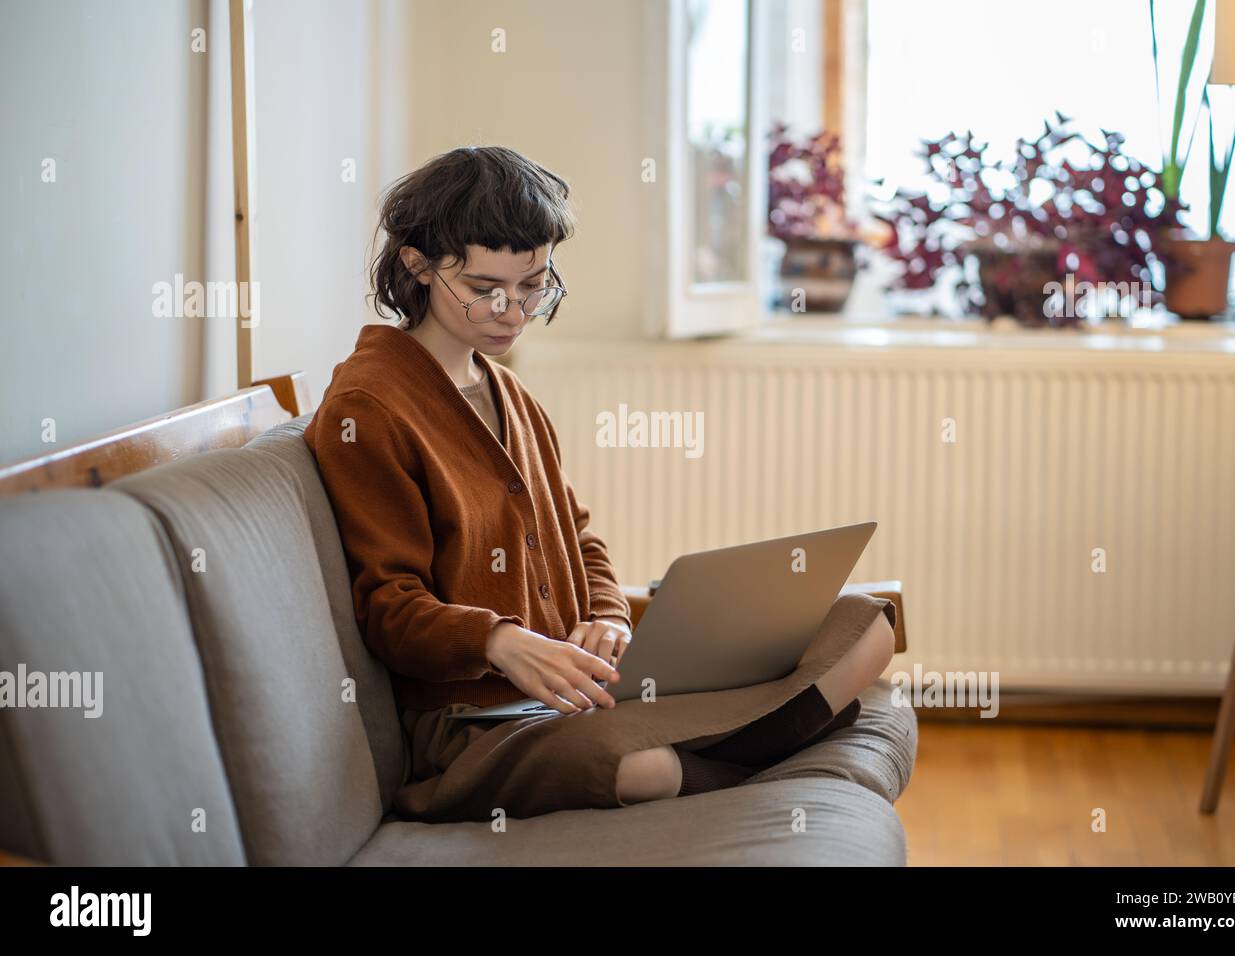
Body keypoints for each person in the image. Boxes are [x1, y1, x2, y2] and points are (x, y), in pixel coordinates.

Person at [305, 145, 897, 823]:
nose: (512, 311)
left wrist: (611, 618)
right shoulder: (368, 408)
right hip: (477, 724)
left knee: (865, 622)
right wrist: (499, 642)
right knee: (633, 766)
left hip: (583, 689)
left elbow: (580, 536)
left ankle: (734, 744)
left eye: (533, 286)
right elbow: (389, 607)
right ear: (417, 264)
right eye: (482, 289)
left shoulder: (507, 391)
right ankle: (754, 744)